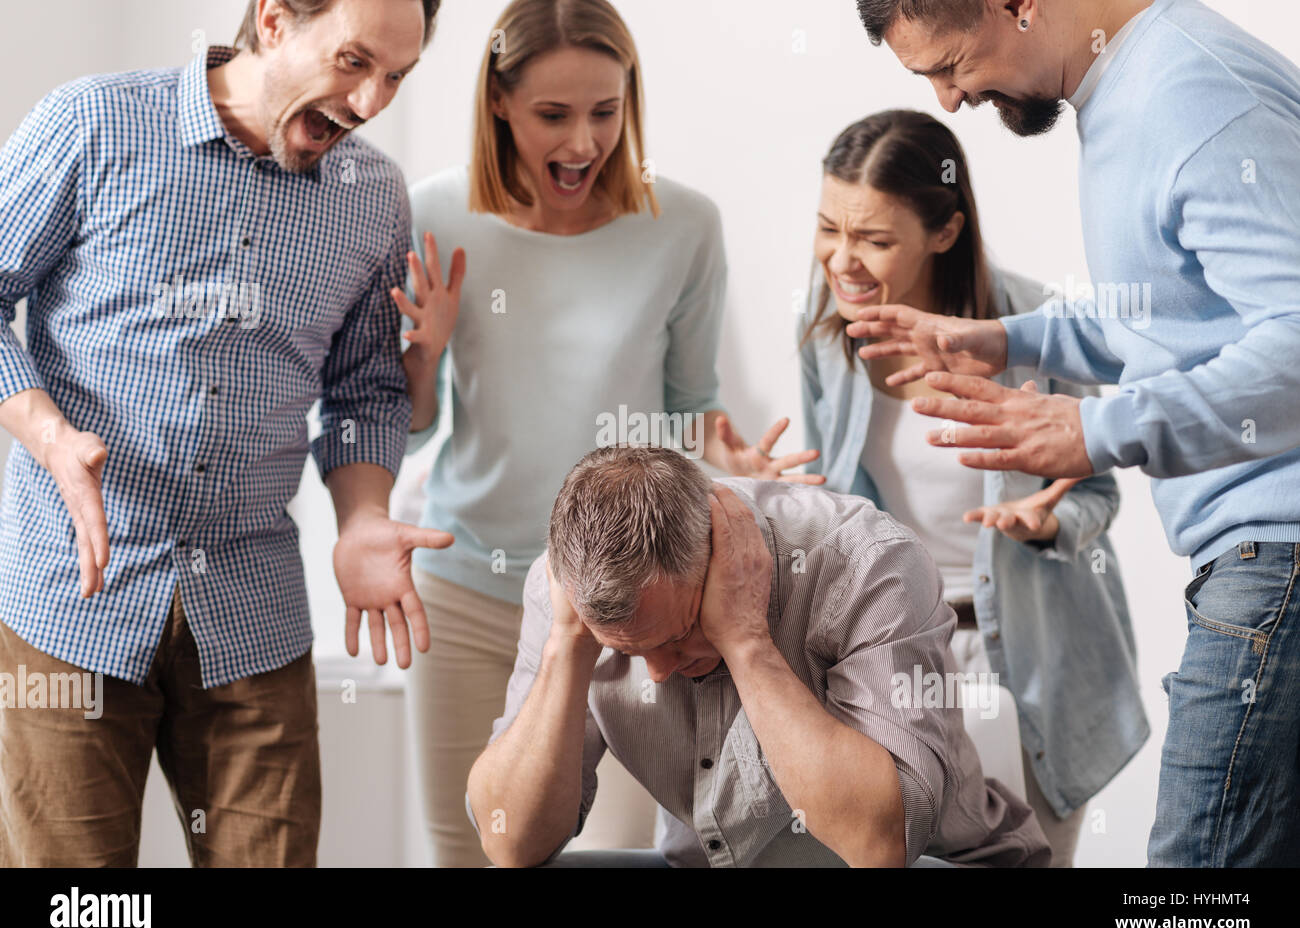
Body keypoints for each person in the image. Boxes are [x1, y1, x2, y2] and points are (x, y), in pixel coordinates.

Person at [0, 0, 449, 867]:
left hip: (253, 617)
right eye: (354, 62)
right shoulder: (95, 123)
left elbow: (363, 388)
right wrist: (49, 434)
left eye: (397, 76)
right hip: (68, 604)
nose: (369, 103)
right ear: (274, 19)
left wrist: (361, 518)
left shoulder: (374, 198)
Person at [853, 0, 1300, 866]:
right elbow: (1170, 310)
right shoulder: (1133, 88)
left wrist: (1101, 429)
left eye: (949, 64)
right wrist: (1011, 340)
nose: (949, 100)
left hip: (1278, 555)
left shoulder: (1192, 92)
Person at [394, 0, 817, 867]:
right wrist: (423, 356)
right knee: (470, 851)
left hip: (629, 604)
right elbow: (407, 430)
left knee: (612, 858)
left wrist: (726, 460)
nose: (583, 143)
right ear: (500, 104)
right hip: (469, 588)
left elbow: (692, 404)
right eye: (554, 115)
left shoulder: (684, 226)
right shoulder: (434, 212)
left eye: (605, 112)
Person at [798, 110, 1148, 866]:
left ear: (945, 232)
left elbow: (1096, 495)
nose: (842, 261)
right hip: (891, 657)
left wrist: (1044, 523)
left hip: (1026, 660)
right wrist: (770, 494)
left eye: (875, 239)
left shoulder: (1032, 329)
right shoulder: (826, 334)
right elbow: (834, 507)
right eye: (830, 228)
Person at [466, 445, 1051, 868]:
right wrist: (568, 647)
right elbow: (510, 841)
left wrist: (745, 639)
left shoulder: (868, 561)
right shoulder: (566, 589)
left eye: (679, 633)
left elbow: (878, 846)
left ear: (719, 556)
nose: (659, 672)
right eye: (631, 651)